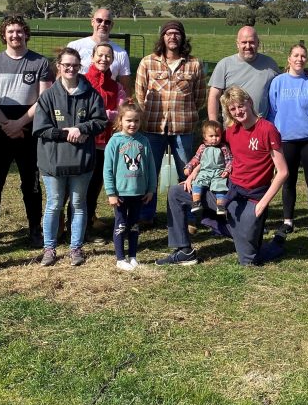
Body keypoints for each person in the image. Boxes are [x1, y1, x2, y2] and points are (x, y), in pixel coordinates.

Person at [157, 86, 288, 267]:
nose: (238, 111)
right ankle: (184, 250)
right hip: (227, 191)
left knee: (249, 260)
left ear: (249, 102)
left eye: (240, 106)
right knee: (176, 192)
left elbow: (282, 172)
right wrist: (193, 174)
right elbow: (211, 154)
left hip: (252, 199)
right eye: (232, 109)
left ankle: (275, 242)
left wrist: (262, 205)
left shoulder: (267, 129)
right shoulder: (231, 130)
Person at [0, 15, 54, 248]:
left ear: (26, 34)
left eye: (20, 31)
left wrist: (20, 123)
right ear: (4, 35)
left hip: (29, 130)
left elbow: (43, 100)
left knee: (31, 183)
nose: (15, 35)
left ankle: (34, 229)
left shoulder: (40, 63)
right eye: (11, 31)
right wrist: (6, 125)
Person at [33, 47, 108, 267]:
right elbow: (40, 129)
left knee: (78, 203)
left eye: (75, 65)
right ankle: (49, 248)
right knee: (54, 204)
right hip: (53, 161)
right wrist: (65, 133)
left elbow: (102, 121)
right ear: (59, 66)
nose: (71, 69)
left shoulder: (91, 93)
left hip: (82, 161)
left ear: (80, 67)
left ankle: (76, 248)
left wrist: (83, 128)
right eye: (66, 65)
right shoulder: (48, 96)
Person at [132, 20, 206, 225]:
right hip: (153, 127)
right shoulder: (148, 62)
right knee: (150, 172)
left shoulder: (194, 64)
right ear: (162, 37)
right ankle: (147, 215)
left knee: (187, 172)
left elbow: (200, 97)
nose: (172, 37)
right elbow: (140, 94)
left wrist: (184, 111)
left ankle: (187, 216)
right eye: (168, 33)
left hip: (183, 129)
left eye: (177, 33)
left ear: (182, 37)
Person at [267, 42, 308, 238]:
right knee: (288, 181)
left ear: (306, 60)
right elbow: (271, 113)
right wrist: (272, 142)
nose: (299, 59)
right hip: (285, 141)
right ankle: (288, 221)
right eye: (295, 55)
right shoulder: (278, 82)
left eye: (303, 56)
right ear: (289, 58)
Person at [83, 42, 128, 244]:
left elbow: (122, 110)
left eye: (108, 56)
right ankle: (73, 226)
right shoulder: (83, 81)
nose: (104, 59)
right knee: (81, 186)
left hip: (106, 142)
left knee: (95, 185)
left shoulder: (115, 85)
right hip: (85, 142)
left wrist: (103, 115)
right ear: (93, 57)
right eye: (100, 55)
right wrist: (106, 114)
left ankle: (88, 223)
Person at [103, 104, 156, 271]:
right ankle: (120, 258)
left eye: (136, 121)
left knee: (134, 225)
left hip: (139, 192)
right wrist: (111, 192)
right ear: (120, 120)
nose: (132, 124)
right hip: (120, 193)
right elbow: (108, 169)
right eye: (128, 121)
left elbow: (151, 167)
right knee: (120, 224)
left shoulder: (144, 141)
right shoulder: (115, 141)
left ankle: (133, 256)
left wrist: (151, 189)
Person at [207, 26, 279, 121]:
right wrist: (213, 123)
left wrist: (303, 74)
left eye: (252, 42)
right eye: (244, 42)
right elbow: (214, 96)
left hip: (261, 127)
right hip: (233, 127)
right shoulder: (224, 65)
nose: (248, 46)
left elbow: (283, 85)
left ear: (258, 43)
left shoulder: (270, 64)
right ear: (237, 44)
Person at [68, 7, 131, 92]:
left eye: (107, 22)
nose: (103, 24)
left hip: (107, 101)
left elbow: (125, 88)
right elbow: (62, 77)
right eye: (99, 20)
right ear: (92, 22)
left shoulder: (121, 53)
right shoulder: (74, 46)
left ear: (112, 25)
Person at [183, 119, 232, 216]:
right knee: (197, 183)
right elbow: (196, 159)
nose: (214, 139)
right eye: (211, 136)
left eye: (217, 136)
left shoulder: (223, 148)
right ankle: (196, 203)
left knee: (220, 186)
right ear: (205, 137)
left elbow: (229, 160)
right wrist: (189, 167)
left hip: (218, 172)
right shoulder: (202, 147)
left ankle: (221, 206)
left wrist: (227, 170)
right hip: (204, 172)